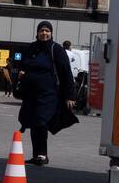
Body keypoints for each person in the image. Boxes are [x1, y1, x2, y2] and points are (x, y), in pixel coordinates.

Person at [16, 21, 76, 166]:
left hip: (49, 94)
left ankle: (42, 155)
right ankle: (36, 154)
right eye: (42, 31)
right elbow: (22, 64)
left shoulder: (56, 49)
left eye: (47, 31)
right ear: (37, 33)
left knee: (40, 121)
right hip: (31, 94)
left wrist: (70, 95)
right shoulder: (31, 48)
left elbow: (66, 73)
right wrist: (21, 73)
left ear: (51, 33)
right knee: (32, 122)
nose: (44, 33)